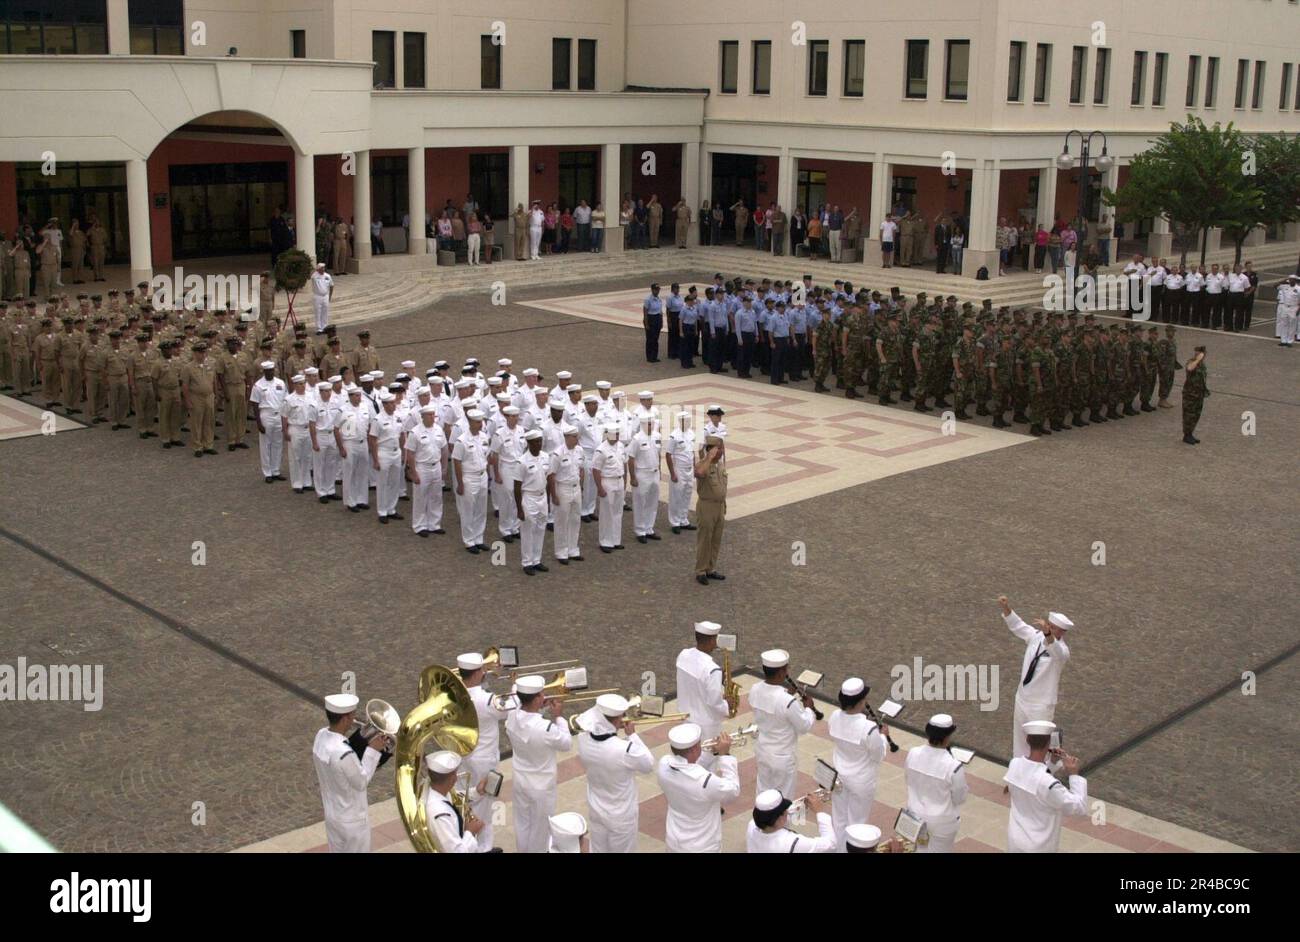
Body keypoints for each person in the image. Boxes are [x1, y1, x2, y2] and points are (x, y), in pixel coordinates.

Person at [573, 693, 654, 853]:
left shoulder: (583, 740)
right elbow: (648, 764)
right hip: (621, 816)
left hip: (597, 810)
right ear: (617, 720)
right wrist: (632, 735)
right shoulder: (624, 749)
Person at [311, 692, 389, 853]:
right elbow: (361, 781)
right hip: (352, 822)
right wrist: (373, 751)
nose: (353, 720)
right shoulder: (344, 753)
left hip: (333, 817)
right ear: (345, 718)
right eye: (352, 716)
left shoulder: (321, 736)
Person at [504, 674, 573, 853]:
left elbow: (523, 711)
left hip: (520, 780)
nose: (544, 697)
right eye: (541, 695)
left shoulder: (512, 715)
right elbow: (566, 743)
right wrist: (558, 717)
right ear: (535, 700)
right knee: (541, 831)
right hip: (542, 786)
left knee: (522, 824)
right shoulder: (546, 728)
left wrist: (538, 708)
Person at [998, 595, 1073, 758]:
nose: (1048, 629)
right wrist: (1006, 608)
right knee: (1019, 741)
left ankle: (1040, 775)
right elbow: (1018, 626)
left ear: (1062, 632)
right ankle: (1018, 771)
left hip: (1041, 705)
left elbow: (1055, 650)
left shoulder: (1062, 651)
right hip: (1022, 697)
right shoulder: (1036, 637)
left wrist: (1047, 634)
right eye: (1049, 626)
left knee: (1039, 744)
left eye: (1053, 628)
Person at [455, 652, 513, 850]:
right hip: (484, 759)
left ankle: (467, 842)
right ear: (479, 672)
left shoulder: (453, 696)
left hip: (463, 754)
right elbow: (508, 710)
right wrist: (514, 685)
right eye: (483, 669)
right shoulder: (487, 699)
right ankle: (484, 848)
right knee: (484, 808)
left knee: (465, 799)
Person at [1004, 721, 1088, 853]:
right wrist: (1074, 775)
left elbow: (1033, 777)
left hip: (1015, 840)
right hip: (1039, 846)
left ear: (1027, 740)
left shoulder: (1015, 764)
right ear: (1049, 743)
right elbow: (1079, 807)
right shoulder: (1050, 785)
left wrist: (1052, 763)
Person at [657, 722, 740, 853]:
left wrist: (713, 752)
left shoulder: (664, 764)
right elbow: (732, 791)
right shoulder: (705, 781)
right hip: (702, 845)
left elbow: (688, 764)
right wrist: (725, 755)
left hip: (674, 840)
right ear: (695, 749)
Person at [828, 677, 890, 851]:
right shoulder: (868, 728)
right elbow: (878, 755)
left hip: (839, 775)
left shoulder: (834, 716)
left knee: (838, 818)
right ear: (860, 701)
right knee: (857, 821)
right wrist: (883, 736)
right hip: (861, 780)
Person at [749, 649, 816, 797]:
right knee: (783, 799)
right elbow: (804, 726)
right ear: (780, 673)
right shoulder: (787, 701)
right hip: (783, 756)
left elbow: (770, 704)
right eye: (786, 670)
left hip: (763, 750)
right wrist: (809, 709)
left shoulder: (755, 689)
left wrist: (787, 695)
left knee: (763, 793)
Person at [903, 713, 968, 853]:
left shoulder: (913, 753)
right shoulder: (954, 766)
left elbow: (908, 779)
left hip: (914, 813)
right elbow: (960, 797)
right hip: (942, 821)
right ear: (947, 737)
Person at [675, 621, 730, 770]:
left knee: (688, 762)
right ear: (712, 640)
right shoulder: (712, 669)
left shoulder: (683, 655)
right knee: (707, 766)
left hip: (686, 719)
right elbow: (714, 703)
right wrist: (727, 707)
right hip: (706, 726)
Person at [423, 751, 487, 853]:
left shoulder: (437, 791)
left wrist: (477, 792)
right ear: (453, 778)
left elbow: (456, 797)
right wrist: (470, 831)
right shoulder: (440, 814)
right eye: (455, 773)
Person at [746, 789, 835, 853]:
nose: (787, 811)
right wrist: (820, 812)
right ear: (780, 818)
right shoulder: (793, 842)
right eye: (785, 810)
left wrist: (801, 805)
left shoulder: (752, 825)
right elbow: (831, 844)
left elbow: (778, 820)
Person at [452, 408, 491, 550]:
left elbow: (487, 455)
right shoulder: (461, 441)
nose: (480, 424)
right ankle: (469, 540)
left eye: (481, 422)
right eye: (477, 422)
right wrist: (460, 482)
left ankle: (479, 538)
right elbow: (456, 461)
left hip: (482, 476)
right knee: (468, 510)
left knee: (481, 509)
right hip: (468, 477)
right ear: (470, 422)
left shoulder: (484, 437)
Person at [513, 428, 551, 575]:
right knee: (528, 531)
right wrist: (519, 509)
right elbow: (516, 486)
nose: (539, 444)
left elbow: (546, 479)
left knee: (540, 529)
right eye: (535, 442)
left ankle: (537, 560)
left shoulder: (545, 457)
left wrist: (547, 500)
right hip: (529, 497)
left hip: (542, 497)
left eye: (540, 441)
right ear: (529, 443)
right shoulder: (522, 461)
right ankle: (527, 562)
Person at [405, 403, 447, 535]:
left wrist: (444, 468)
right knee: (420, 497)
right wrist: (413, 472)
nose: (432, 417)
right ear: (422, 417)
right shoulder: (415, 432)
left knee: (436, 496)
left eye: (433, 415)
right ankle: (419, 525)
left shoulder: (439, 430)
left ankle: (434, 524)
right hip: (422, 467)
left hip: (436, 466)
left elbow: (444, 449)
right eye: (428, 415)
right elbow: (410, 454)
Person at [693, 432, 727, 585]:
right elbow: (699, 473)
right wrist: (708, 457)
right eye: (719, 449)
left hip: (719, 507)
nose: (722, 451)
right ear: (712, 449)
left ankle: (710, 568)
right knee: (705, 540)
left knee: (715, 540)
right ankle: (700, 570)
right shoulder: (702, 464)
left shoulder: (720, 465)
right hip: (706, 506)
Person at [591, 423, 626, 553]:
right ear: (607, 435)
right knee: (606, 512)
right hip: (607, 481)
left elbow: (624, 463)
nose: (616, 437)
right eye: (613, 434)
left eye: (617, 434)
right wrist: (599, 488)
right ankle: (605, 541)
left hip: (619, 480)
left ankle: (616, 540)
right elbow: (595, 470)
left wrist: (624, 480)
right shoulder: (601, 449)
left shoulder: (621, 446)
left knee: (618, 511)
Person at [627, 414, 662, 543]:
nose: (650, 425)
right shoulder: (637, 439)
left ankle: (649, 528)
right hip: (642, 473)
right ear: (642, 424)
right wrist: (632, 477)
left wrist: (660, 468)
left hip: (655, 472)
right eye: (648, 423)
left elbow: (658, 454)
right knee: (640, 503)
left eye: (652, 423)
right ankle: (640, 530)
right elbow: (631, 458)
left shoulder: (657, 436)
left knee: (652, 502)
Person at [1181, 345, 1209, 445]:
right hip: (1190, 395)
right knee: (1189, 415)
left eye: (1202, 353)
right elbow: (1189, 368)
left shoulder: (1202, 365)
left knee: (1196, 415)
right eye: (1198, 352)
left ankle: (1190, 433)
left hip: (1199, 395)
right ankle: (1186, 435)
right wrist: (1197, 360)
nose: (1201, 354)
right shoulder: (1192, 362)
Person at [642, 283, 663, 362]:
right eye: (656, 289)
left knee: (656, 338)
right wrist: (646, 323)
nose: (657, 291)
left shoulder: (659, 299)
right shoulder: (648, 299)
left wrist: (661, 321)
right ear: (652, 290)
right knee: (650, 339)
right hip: (651, 318)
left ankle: (654, 356)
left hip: (657, 318)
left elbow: (660, 311)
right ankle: (649, 356)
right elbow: (645, 311)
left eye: (658, 290)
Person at [309, 263, 333, 332]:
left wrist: (330, 296)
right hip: (317, 296)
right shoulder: (315, 275)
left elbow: (331, 285)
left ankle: (325, 327)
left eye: (324, 268)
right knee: (318, 312)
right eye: (321, 268)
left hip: (325, 296)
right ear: (318, 269)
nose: (323, 269)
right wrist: (314, 269)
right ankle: (319, 328)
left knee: (325, 312)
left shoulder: (327, 276)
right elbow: (309, 276)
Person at [1276, 275, 1299, 347]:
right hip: (1285, 307)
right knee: (1284, 324)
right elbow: (1274, 286)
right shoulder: (1284, 286)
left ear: (1295, 280)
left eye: (1292, 280)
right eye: (1290, 279)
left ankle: (1289, 341)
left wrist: (1298, 310)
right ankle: (1283, 340)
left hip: (1294, 307)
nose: (1291, 281)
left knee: (1292, 325)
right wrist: (1282, 281)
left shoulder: (1298, 288)